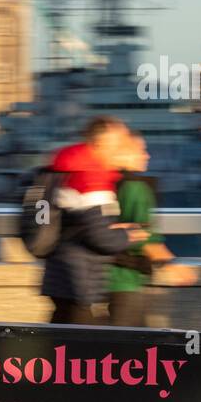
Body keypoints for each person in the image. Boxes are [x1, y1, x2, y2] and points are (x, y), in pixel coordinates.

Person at [40, 116, 148, 325]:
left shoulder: (72, 169)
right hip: (78, 280)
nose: (124, 146)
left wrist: (111, 229)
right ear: (102, 145)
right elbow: (100, 237)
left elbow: (86, 224)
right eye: (120, 142)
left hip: (63, 275)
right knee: (80, 348)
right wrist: (128, 235)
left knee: (60, 343)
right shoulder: (91, 179)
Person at [107, 131, 197, 326]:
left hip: (95, 279)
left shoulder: (106, 183)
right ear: (120, 153)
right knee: (128, 350)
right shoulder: (135, 187)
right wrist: (173, 265)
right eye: (140, 150)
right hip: (124, 280)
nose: (146, 155)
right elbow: (143, 237)